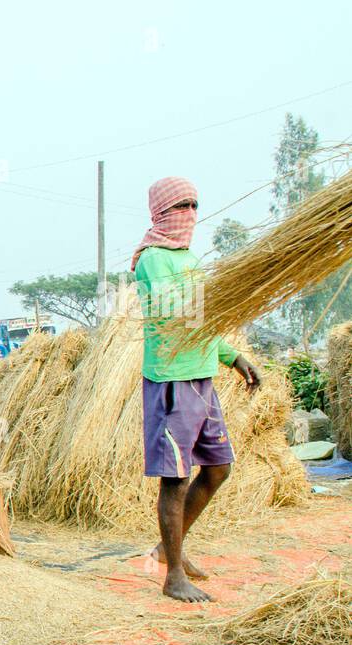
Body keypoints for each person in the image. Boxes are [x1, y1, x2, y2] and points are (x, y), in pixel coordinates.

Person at [133, 177, 260, 603]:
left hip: (203, 377)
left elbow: (203, 321)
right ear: (161, 213)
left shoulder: (188, 258)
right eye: (180, 206)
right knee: (175, 478)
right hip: (171, 381)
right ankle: (172, 576)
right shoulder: (152, 259)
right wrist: (231, 288)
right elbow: (177, 311)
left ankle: (169, 549)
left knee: (219, 468)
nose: (189, 213)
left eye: (193, 205)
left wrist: (232, 356)